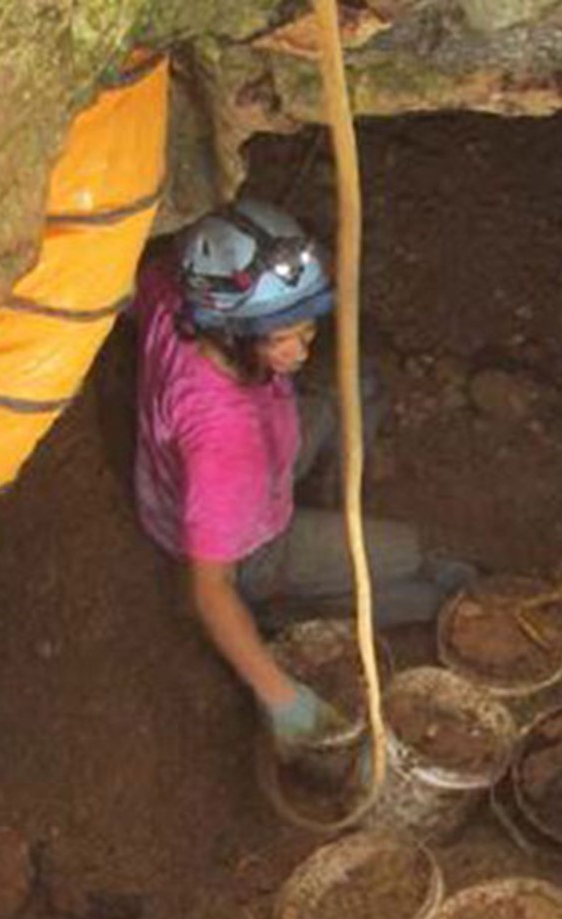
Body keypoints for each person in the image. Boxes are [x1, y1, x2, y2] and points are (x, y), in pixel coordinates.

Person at [129, 197, 470, 758]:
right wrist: (282, 699)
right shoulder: (226, 451)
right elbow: (209, 590)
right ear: (235, 333)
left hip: (221, 468)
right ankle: (279, 611)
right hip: (248, 540)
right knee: (409, 561)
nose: (304, 346)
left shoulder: (176, 293)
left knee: (350, 394)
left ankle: (331, 505)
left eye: (308, 326)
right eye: (285, 335)